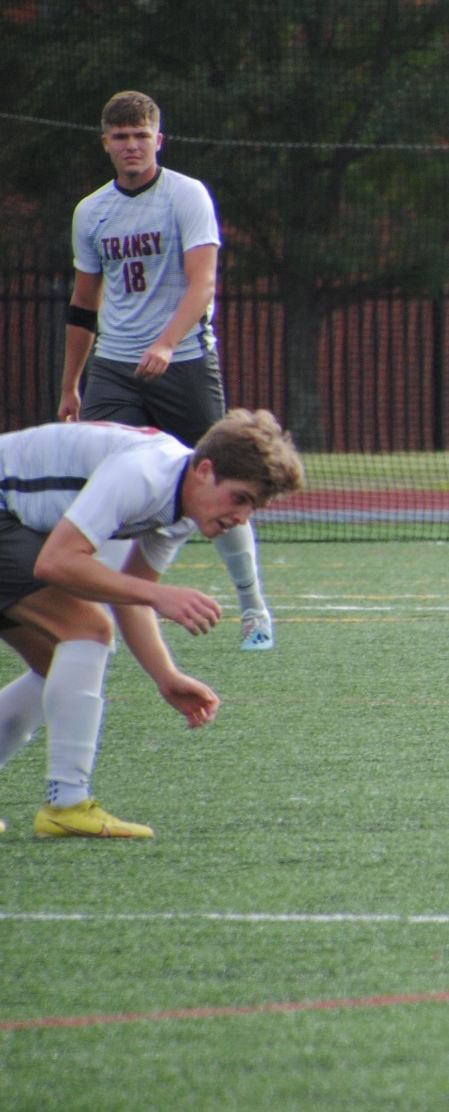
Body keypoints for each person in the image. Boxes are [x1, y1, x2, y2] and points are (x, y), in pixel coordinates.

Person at [0, 410, 303, 837]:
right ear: (204, 470)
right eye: (239, 498)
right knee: (89, 630)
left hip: (12, 522)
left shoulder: (181, 509)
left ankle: (65, 804)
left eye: (253, 507)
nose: (241, 517)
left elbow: (131, 597)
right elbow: (57, 562)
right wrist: (159, 595)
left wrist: (166, 676)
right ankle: (66, 804)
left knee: (59, 665)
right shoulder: (143, 475)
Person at [60, 91, 278, 651]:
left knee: (222, 480)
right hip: (115, 367)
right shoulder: (91, 211)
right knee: (99, 482)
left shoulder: (186, 195)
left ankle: (253, 607)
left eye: (141, 136)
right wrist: (70, 385)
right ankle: (94, 614)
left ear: (159, 140)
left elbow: (202, 284)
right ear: (106, 143)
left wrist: (164, 342)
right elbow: (83, 305)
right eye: (121, 137)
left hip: (183, 363)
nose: (131, 146)